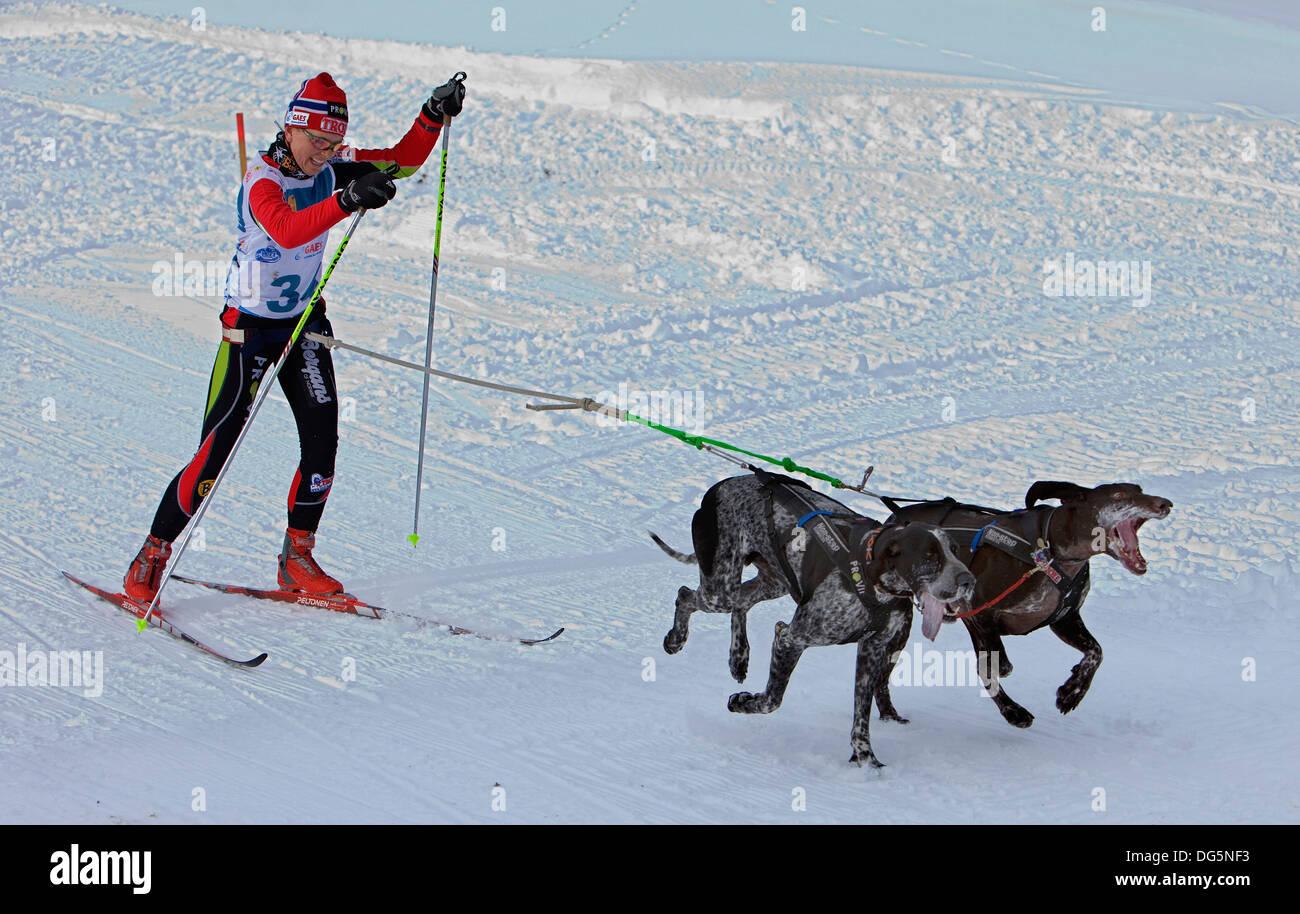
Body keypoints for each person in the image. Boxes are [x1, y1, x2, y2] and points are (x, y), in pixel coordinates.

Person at [123, 72, 466, 604]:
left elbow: (404, 158)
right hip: (248, 332)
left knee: (322, 441)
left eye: (334, 145)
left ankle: (297, 556)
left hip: (305, 324)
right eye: (316, 142)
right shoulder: (262, 180)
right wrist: (348, 198)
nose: (324, 154)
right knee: (213, 454)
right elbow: (287, 229)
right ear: (290, 129)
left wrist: (431, 115)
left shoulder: (332, 167)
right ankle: (152, 553)